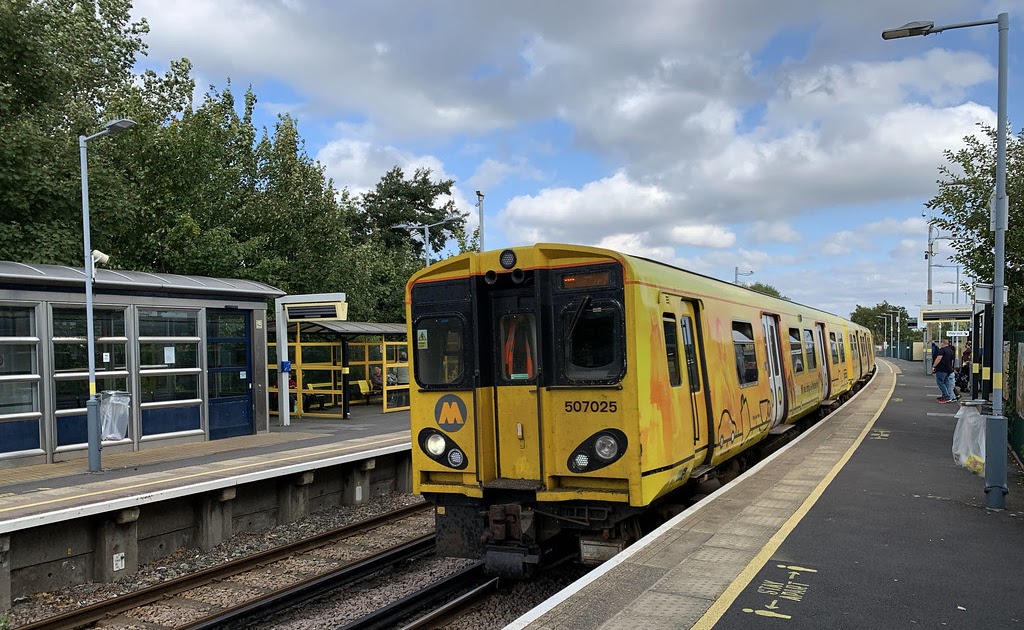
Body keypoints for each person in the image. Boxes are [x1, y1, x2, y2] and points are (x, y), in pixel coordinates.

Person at [932, 338, 957, 403]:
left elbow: (939, 358)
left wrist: (934, 366)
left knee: (940, 382)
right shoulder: (951, 350)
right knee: (946, 383)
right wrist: (951, 368)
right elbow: (952, 361)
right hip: (948, 369)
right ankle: (944, 396)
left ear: (942, 343)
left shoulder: (942, 350)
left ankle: (946, 397)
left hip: (941, 369)